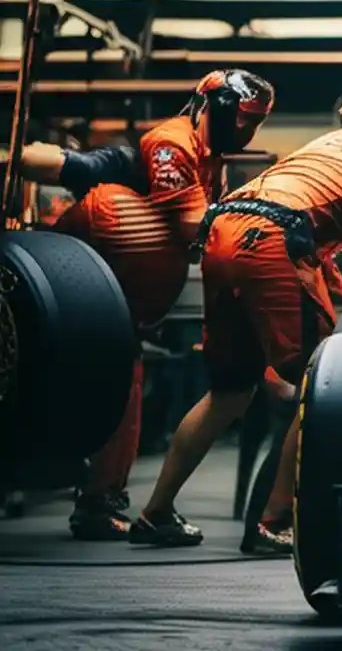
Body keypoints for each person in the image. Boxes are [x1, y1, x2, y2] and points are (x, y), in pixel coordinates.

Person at [129, 76, 342, 552]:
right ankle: (274, 521)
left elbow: (312, 241)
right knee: (320, 386)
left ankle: (155, 512)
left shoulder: (328, 145)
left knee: (228, 392)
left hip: (224, 226)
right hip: (273, 239)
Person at [13, 69, 275, 540]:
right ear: (211, 106)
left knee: (122, 377)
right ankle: (91, 492)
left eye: (252, 122)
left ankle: (98, 496)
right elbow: (191, 228)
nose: (244, 130)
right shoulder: (173, 143)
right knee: (101, 185)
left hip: (107, 297)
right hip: (76, 271)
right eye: (240, 117)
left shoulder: (209, 161)